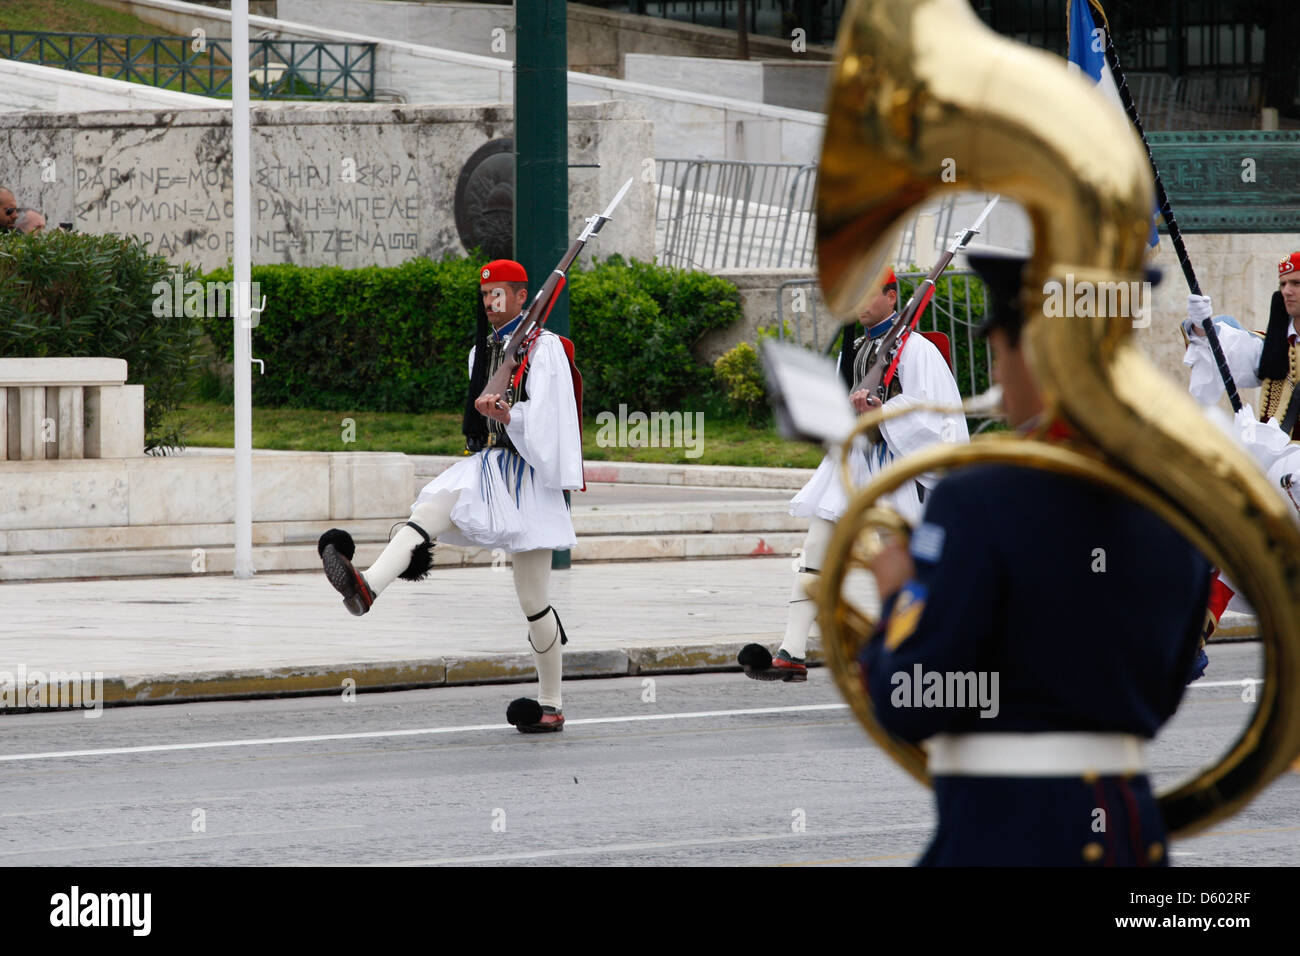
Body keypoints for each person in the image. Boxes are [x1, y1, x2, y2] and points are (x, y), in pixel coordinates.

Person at [859, 252, 1211, 866]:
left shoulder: (981, 497)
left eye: (998, 354)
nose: (999, 375)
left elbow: (912, 699)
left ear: (1030, 353)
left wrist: (897, 597)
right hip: (1130, 836)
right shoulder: (1177, 496)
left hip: (1007, 835)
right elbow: (1167, 684)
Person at [317, 259, 584, 734]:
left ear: (523, 297)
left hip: (531, 478)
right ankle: (367, 586)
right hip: (489, 467)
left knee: (533, 600)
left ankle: (551, 704)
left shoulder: (546, 351)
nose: (490, 303)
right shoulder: (481, 352)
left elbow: (551, 424)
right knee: (431, 505)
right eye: (485, 296)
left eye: (499, 294)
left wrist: (508, 416)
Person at [739, 267, 969, 682]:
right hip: (856, 460)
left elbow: (934, 413)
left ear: (892, 297)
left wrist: (882, 411)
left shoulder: (917, 350)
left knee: (901, 564)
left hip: (896, 463)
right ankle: (791, 651)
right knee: (816, 551)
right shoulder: (854, 348)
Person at [1182, 251, 1300, 639]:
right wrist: (1202, 327)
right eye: (1283, 284)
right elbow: (1229, 350)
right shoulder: (1275, 346)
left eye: (1296, 283)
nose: (1287, 291)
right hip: (1273, 473)